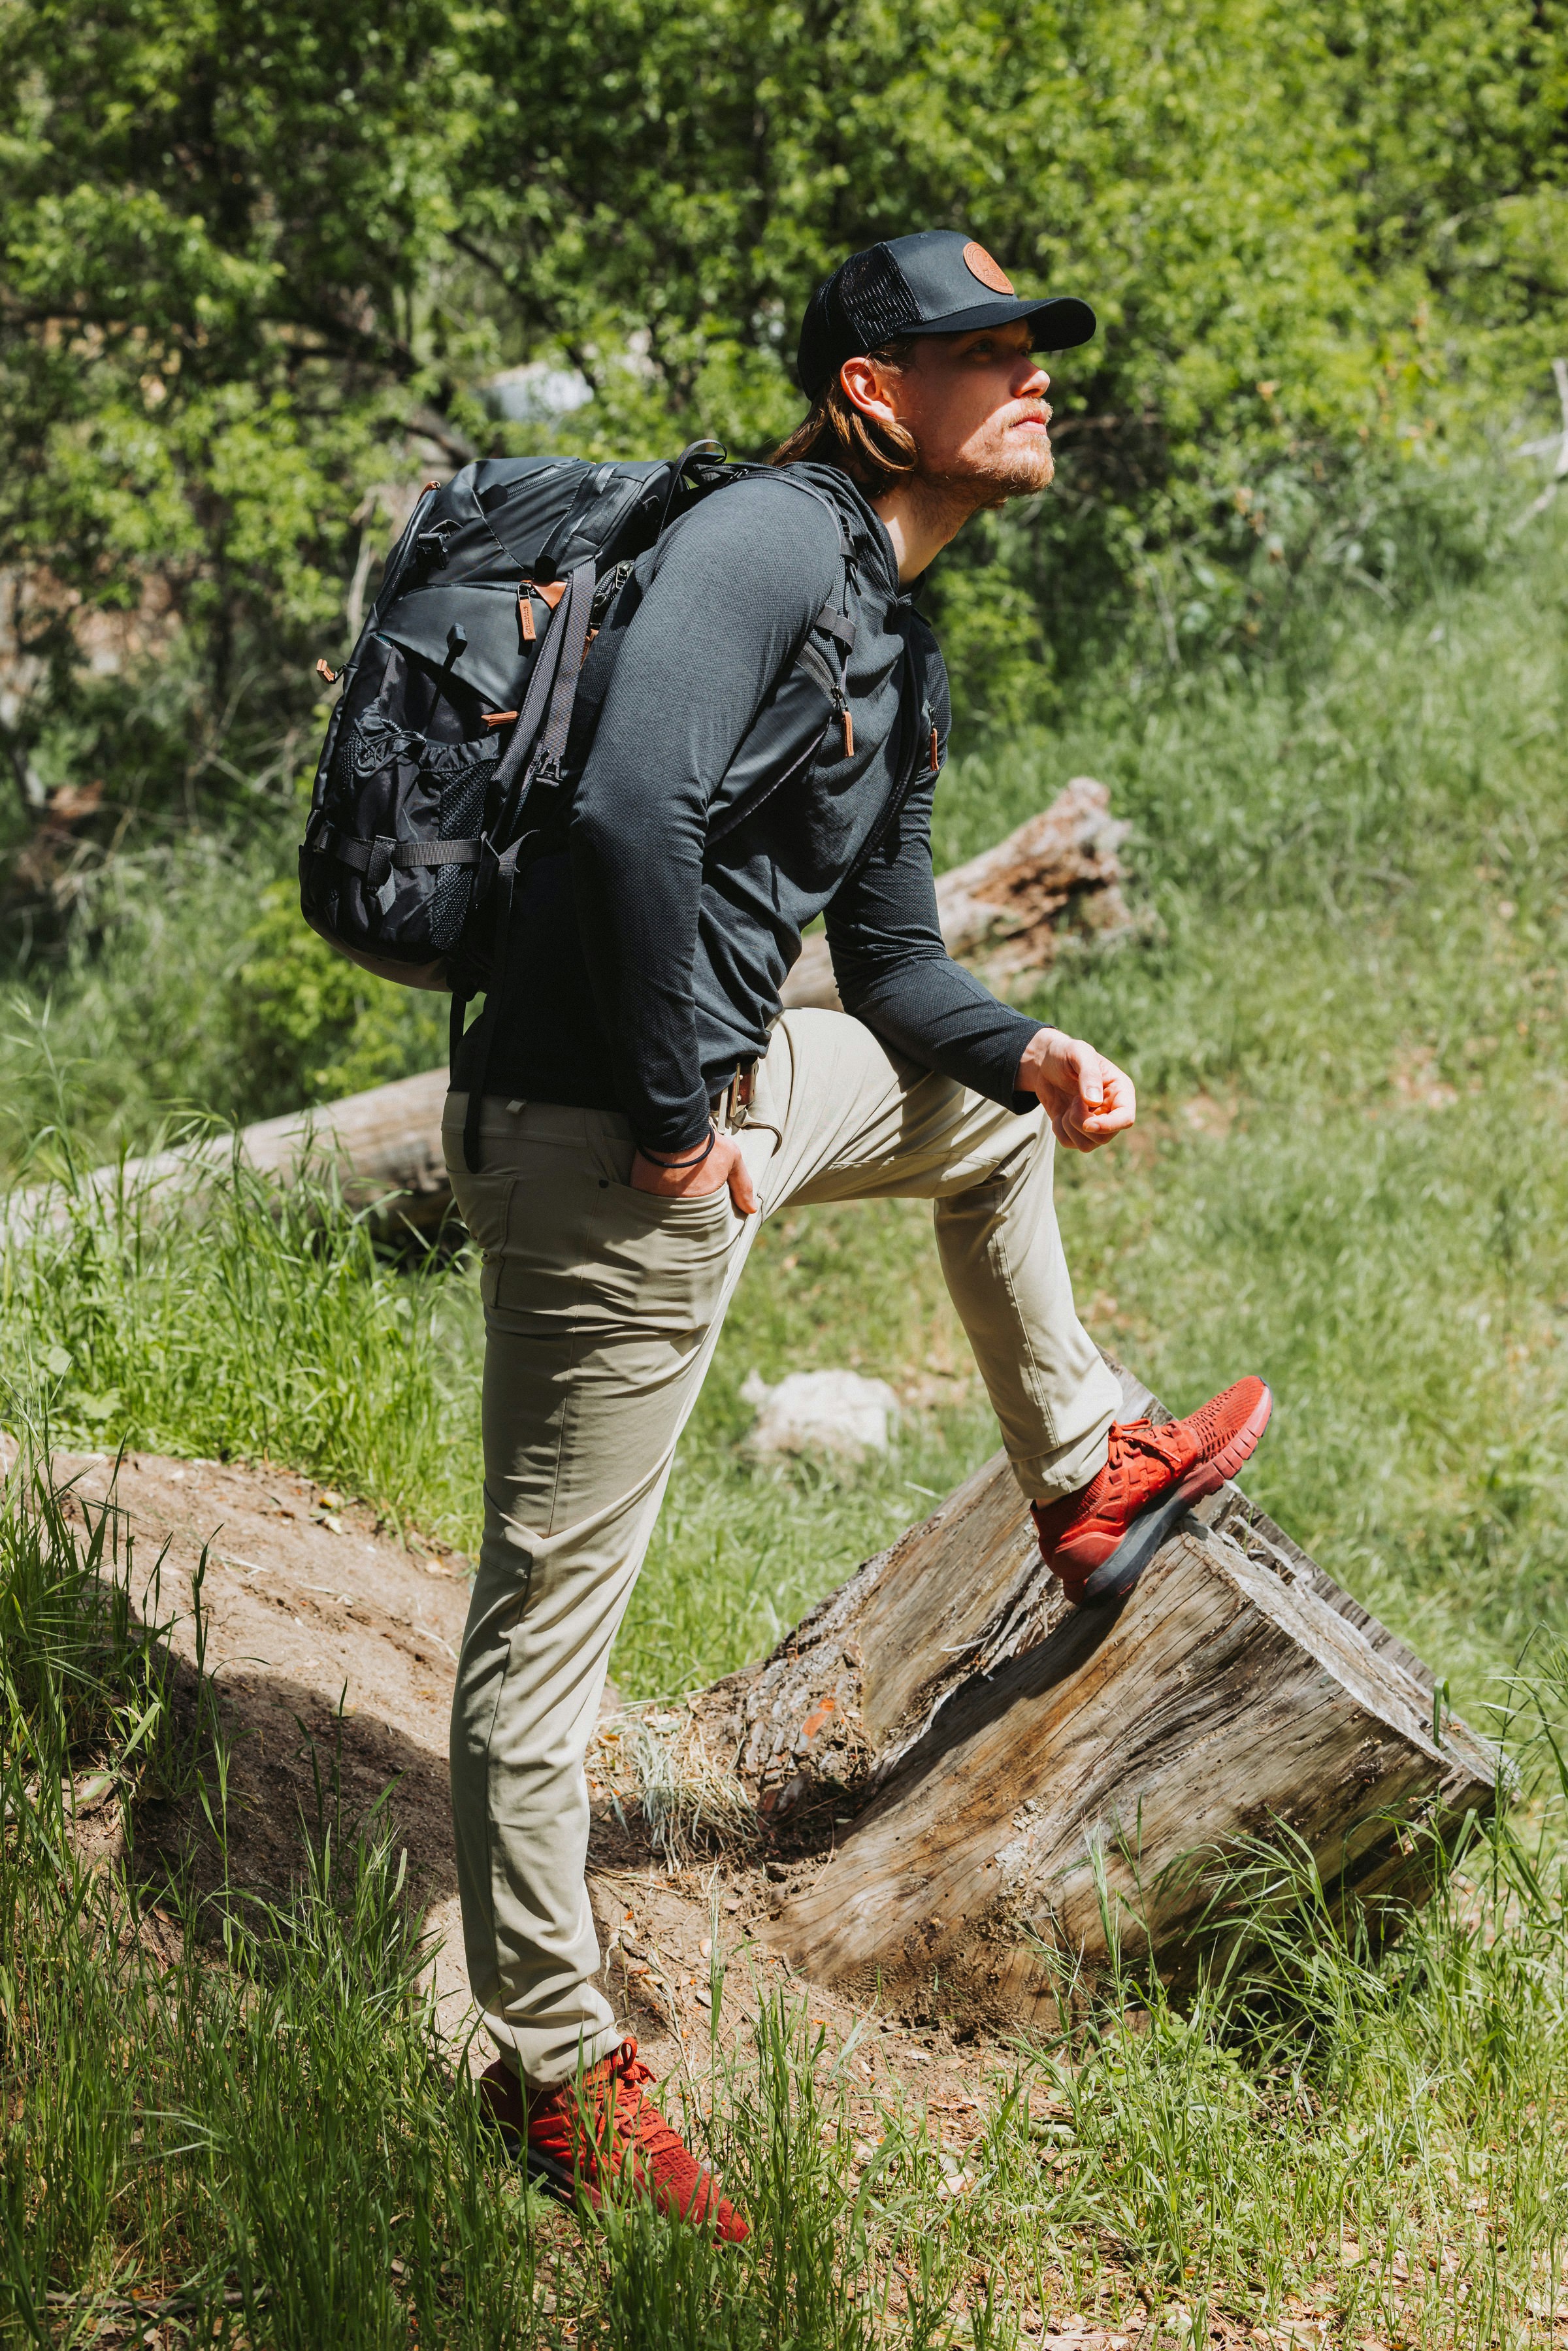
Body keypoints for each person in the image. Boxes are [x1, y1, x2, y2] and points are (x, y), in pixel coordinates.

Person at [443, 230, 1271, 2234]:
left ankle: (1084, 1472)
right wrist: (671, 1121)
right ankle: (551, 2064)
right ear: (874, 394)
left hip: (730, 1093)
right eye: (987, 348)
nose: (1034, 372)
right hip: (605, 1137)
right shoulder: (764, 540)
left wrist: (1028, 1050)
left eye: (1037, 345)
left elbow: (893, 966)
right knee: (546, 1633)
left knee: (987, 1128)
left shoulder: (894, 631)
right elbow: (628, 812)